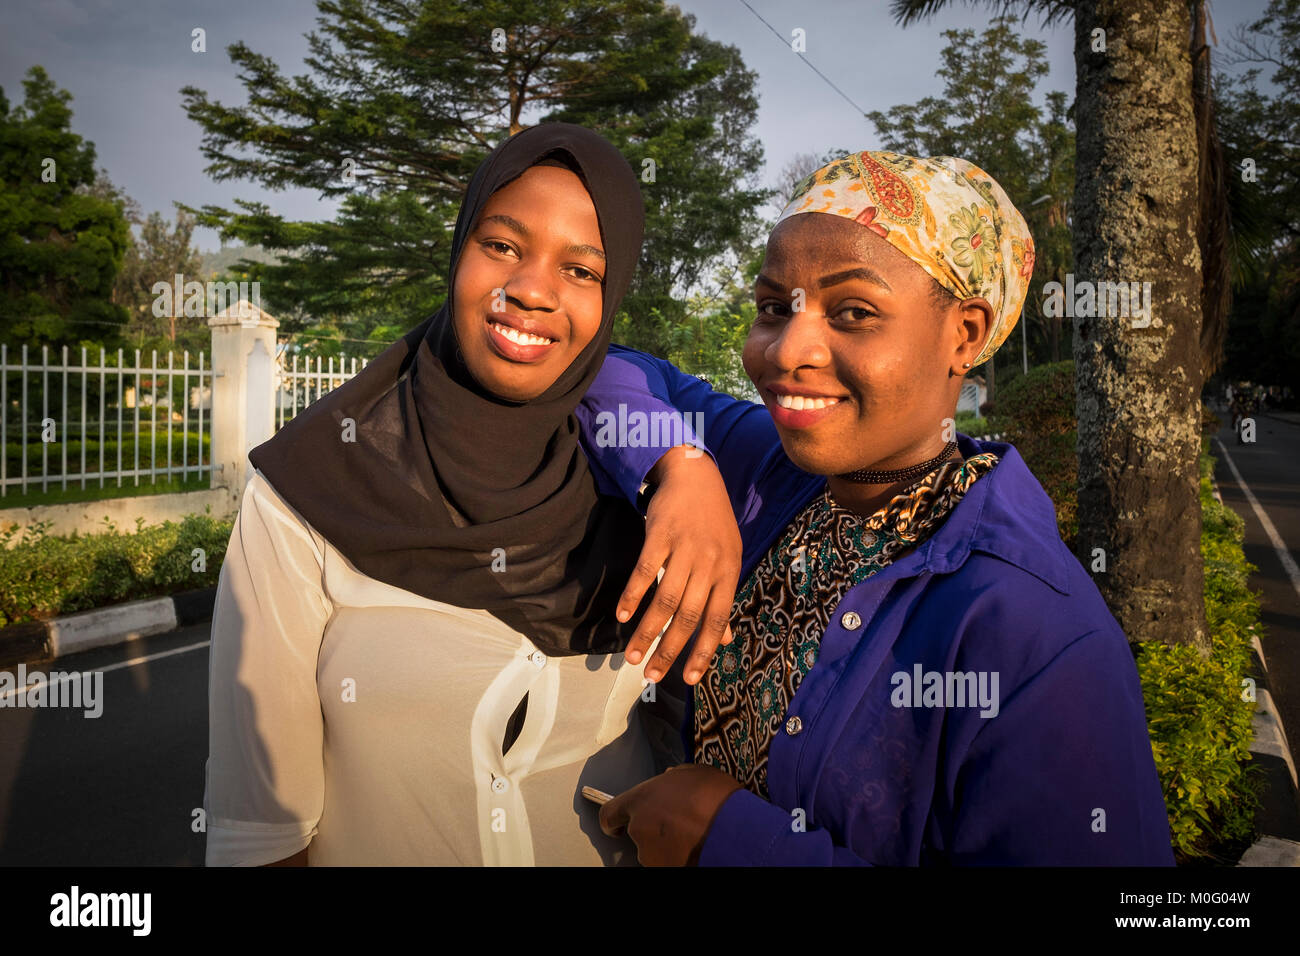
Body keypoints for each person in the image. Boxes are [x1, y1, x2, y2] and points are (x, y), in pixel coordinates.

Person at [577, 150, 1176, 865]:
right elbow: (604, 366)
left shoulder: (1037, 636)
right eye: (774, 308)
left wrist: (735, 842)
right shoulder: (779, 470)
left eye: (853, 312)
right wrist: (681, 467)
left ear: (966, 335)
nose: (787, 350)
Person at [202, 123, 743, 866]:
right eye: (503, 246)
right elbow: (262, 834)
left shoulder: (637, 494)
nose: (532, 290)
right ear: (460, 251)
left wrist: (688, 467)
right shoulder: (307, 494)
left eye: (582, 271)